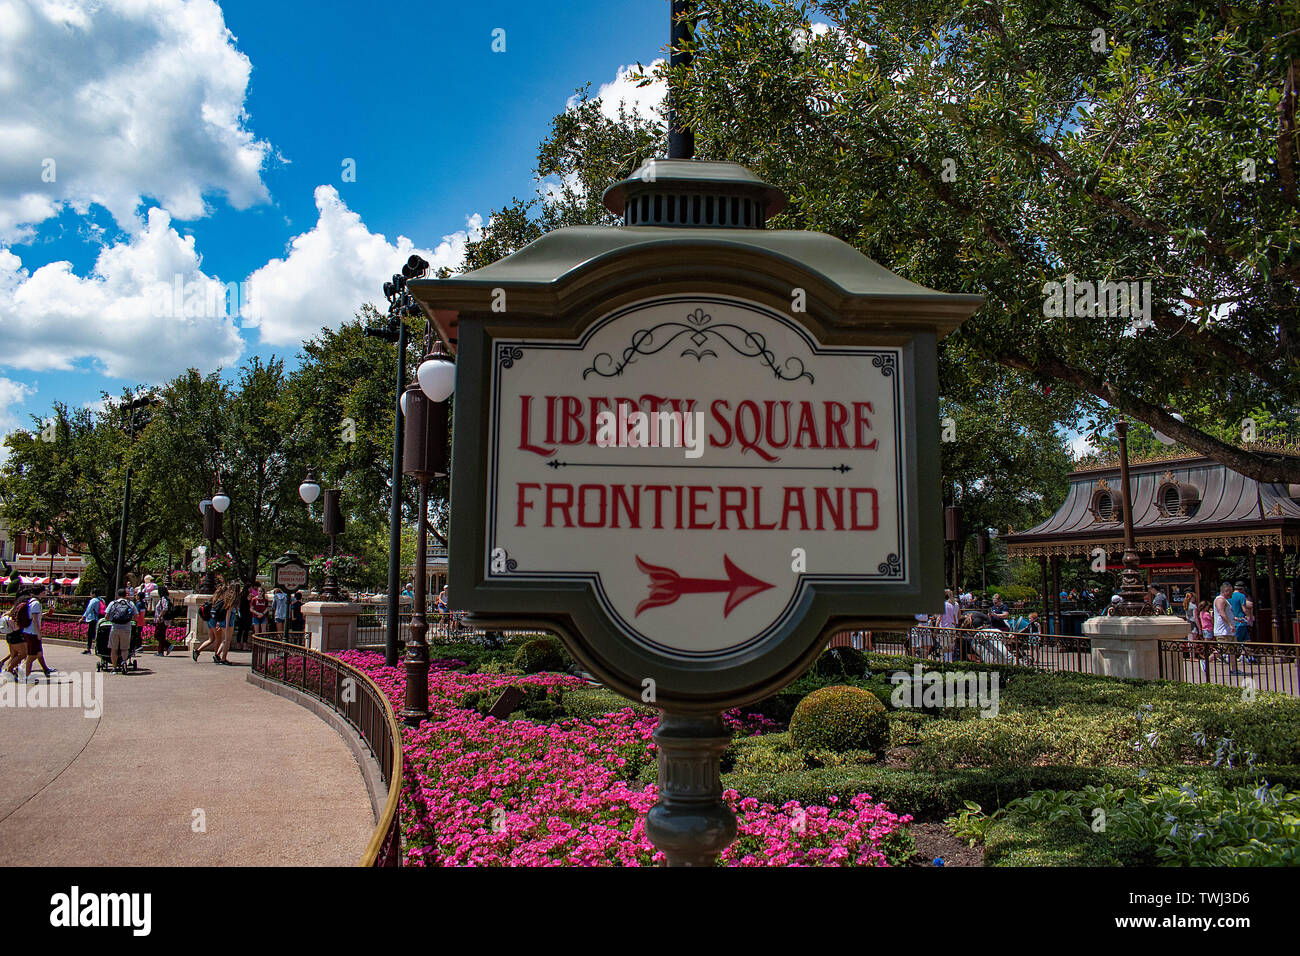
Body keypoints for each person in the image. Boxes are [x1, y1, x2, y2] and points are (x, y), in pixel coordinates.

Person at [102, 588, 136, 673]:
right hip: (126, 628)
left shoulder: (113, 603)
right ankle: (124, 662)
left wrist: (112, 620)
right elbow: (136, 616)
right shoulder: (130, 603)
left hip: (115, 628)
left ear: (117, 595)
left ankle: (114, 667)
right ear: (126, 595)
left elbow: (106, 616)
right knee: (124, 648)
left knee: (114, 649)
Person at [1212, 582, 1239, 673]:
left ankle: (1234, 669)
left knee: (1232, 650)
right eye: (1231, 591)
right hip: (1223, 631)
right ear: (1226, 591)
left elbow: (1227, 614)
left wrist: (1236, 619)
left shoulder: (1225, 600)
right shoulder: (1220, 600)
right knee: (1222, 650)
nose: (1232, 594)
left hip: (1228, 630)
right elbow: (1221, 613)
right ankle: (1206, 661)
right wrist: (1230, 624)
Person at [153, 586, 173, 656]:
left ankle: (168, 645)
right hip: (163, 620)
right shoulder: (165, 598)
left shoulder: (163, 599)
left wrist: (160, 616)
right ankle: (160, 651)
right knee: (161, 635)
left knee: (157, 635)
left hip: (162, 620)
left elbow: (165, 608)